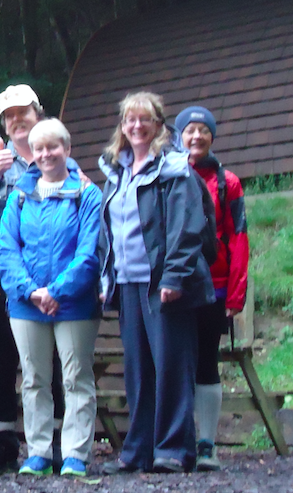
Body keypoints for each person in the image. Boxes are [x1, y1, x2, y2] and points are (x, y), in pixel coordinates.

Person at [99, 92, 214, 474]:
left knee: (171, 367)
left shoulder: (174, 169)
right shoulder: (117, 170)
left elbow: (187, 227)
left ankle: (173, 449)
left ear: (159, 125)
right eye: (130, 120)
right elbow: (108, 230)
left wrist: (174, 275)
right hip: (128, 282)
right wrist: (106, 277)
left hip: (164, 283)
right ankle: (139, 450)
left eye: (144, 119)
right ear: (122, 126)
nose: (136, 126)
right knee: (138, 371)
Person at [0, 119, 102, 477]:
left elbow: (89, 252)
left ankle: (75, 454)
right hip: (26, 304)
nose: (45, 154)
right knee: (33, 379)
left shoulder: (87, 194)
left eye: (53, 146)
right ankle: (38, 452)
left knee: (76, 378)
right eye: (39, 148)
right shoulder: (19, 196)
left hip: (75, 304)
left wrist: (57, 291)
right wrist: (31, 290)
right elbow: (6, 251)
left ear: (67, 149)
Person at [0, 84, 60, 469]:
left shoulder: (56, 155)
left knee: (50, 361)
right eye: (10, 116)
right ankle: (0, 443)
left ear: (38, 113)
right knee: (0, 359)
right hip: (0, 279)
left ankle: (54, 442)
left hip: (50, 275)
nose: (18, 120)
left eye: (24, 112)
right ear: (3, 123)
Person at [174, 106, 249, 471]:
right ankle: (176, 441)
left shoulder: (227, 182)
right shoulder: (168, 176)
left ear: (212, 137)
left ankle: (207, 444)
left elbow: (239, 237)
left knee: (207, 361)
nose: (196, 136)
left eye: (203, 130)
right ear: (178, 136)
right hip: (174, 287)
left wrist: (235, 294)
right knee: (175, 363)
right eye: (189, 130)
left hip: (214, 288)